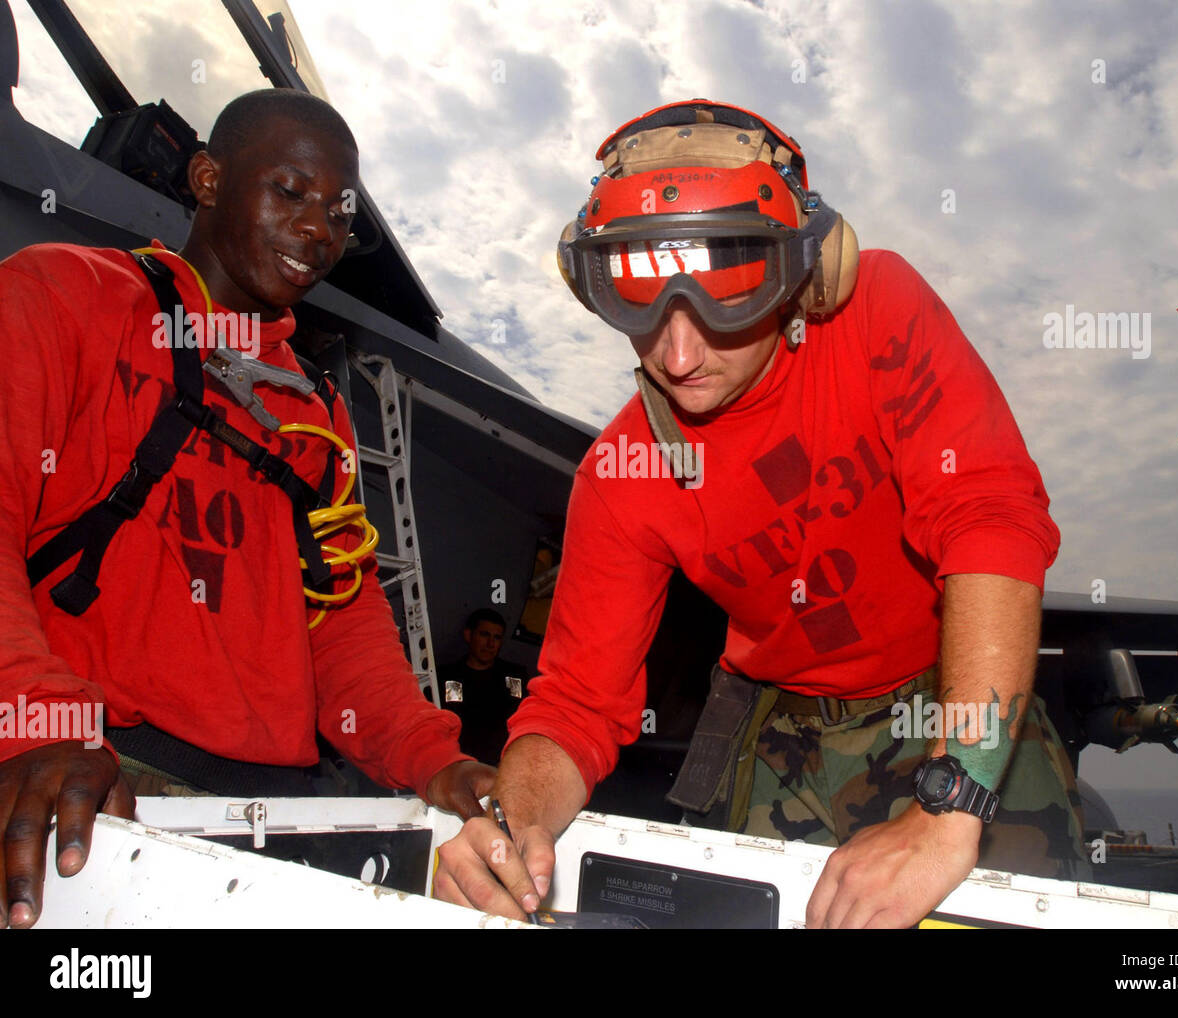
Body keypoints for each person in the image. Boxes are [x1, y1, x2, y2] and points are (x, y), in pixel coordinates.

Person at [433, 100, 1089, 929]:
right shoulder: (622, 473)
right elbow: (574, 704)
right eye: (641, 301)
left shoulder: (878, 310)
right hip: (780, 722)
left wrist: (949, 806)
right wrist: (510, 821)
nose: (677, 355)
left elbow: (990, 516)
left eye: (726, 298)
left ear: (803, 272)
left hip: (952, 698)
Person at [0, 88, 492, 930]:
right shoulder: (62, 294)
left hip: (276, 815)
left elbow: (343, 625)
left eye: (337, 212)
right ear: (207, 178)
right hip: (92, 779)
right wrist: (32, 722)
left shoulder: (320, 413)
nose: (317, 231)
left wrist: (435, 760)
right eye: (290, 192)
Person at [430, 608, 532, 765]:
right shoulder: (448, 677)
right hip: (459, 767)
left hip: (506, 766)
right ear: (468, 635)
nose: (490, 644)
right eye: (484, 635)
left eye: (497, 638)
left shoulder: (514, 677)